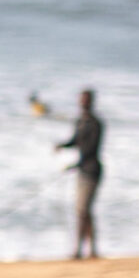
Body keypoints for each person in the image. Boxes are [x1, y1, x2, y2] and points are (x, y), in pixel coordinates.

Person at [57, 87, 105, 260]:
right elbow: (75, 141)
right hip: (82, 170)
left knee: (84, 210)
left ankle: (82, 250)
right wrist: (62, 145)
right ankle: (89, 250)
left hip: (92, 170)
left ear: (91, 102)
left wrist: (75, 165)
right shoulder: (80, 121)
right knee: (83, 211)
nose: (83, 102)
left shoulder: (96, 124)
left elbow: (92, 149)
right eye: (81, 99)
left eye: (85, 99)